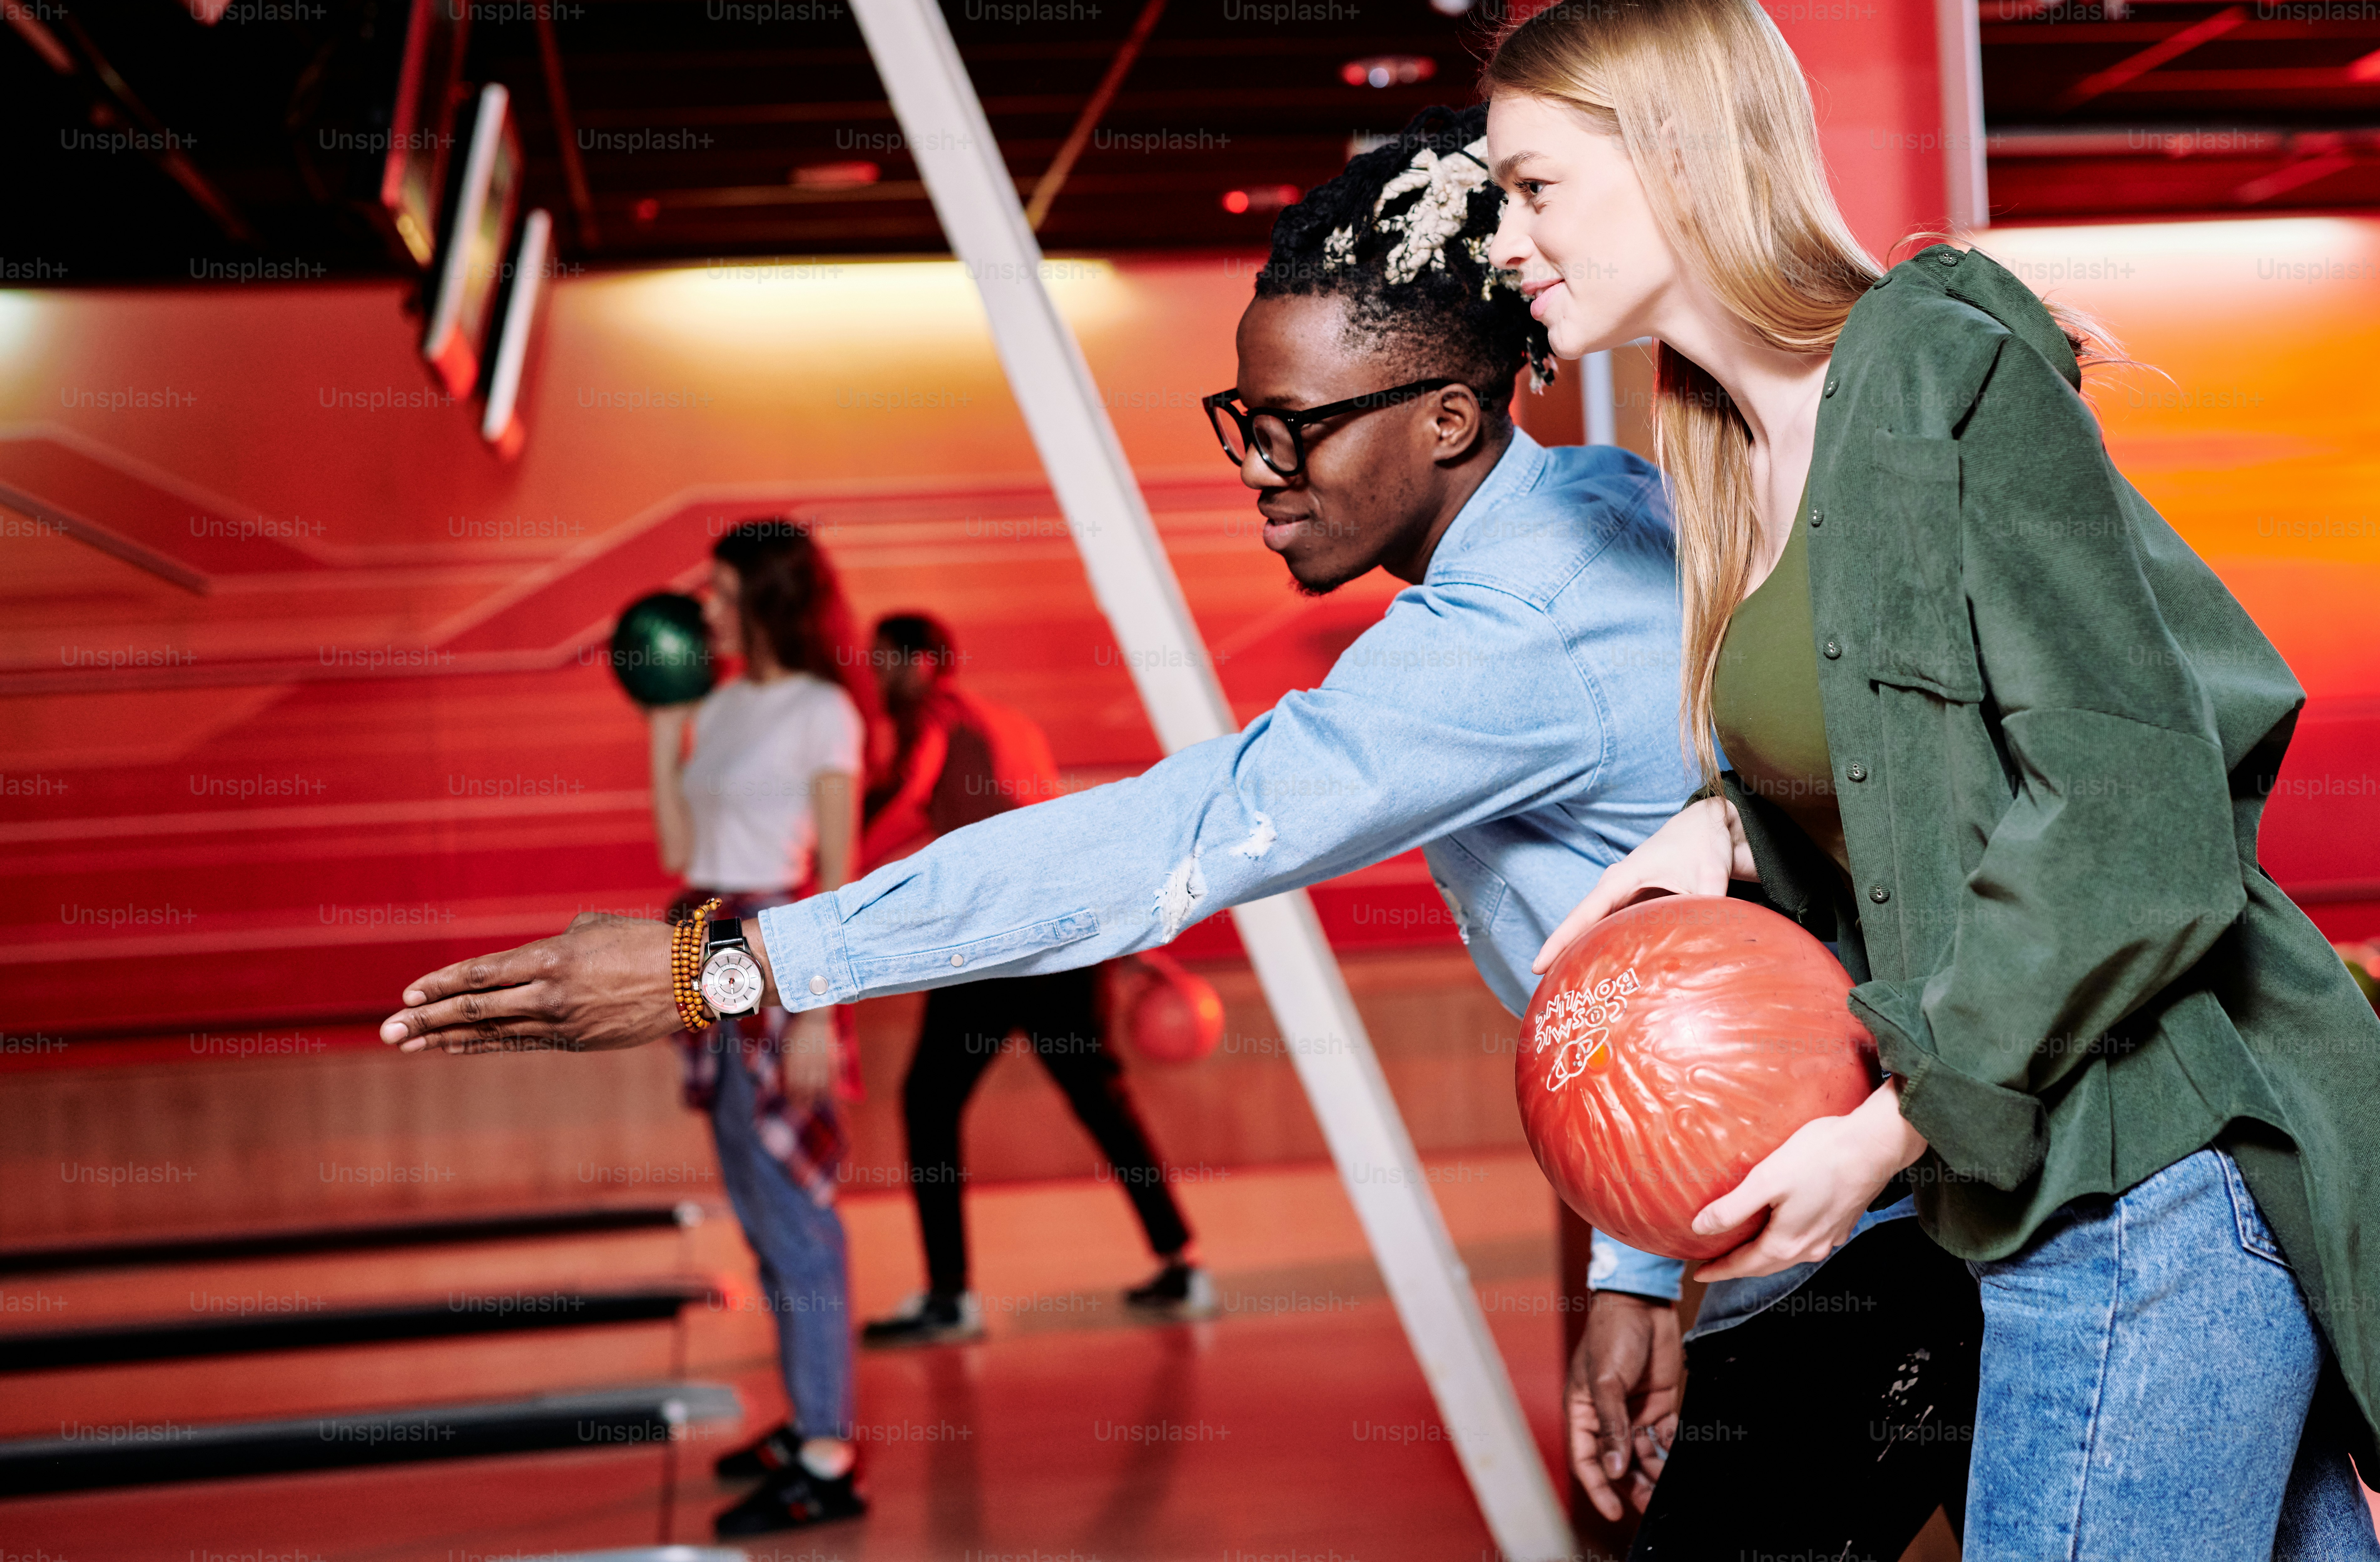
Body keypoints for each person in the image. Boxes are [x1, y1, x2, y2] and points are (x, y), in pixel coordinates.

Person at [382, 105, 1977, 1551]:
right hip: (1858, 1201)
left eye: (1298, 429)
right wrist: (1634, 1267)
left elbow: (1169, 840)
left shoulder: (1503, 636)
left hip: (1892, 1226)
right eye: (1246, 420)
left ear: (1443, 418)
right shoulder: (1594, 507)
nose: (1260, 474)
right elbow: (1677, 959)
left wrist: (719, 967)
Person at [1492, 0, 2380, 1558]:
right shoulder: (1732, 456)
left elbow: (2133, 809)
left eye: (1533, 187)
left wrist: (1883, 1131)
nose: (1506, 241)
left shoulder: (1933, 369)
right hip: (2047, 1208)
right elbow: (1918, 771)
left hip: (2140, 1193)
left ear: (1675, 153)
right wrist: (1730, 828)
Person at [852, 610, 1207, 1344]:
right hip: (1070, 935)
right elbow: (1047, 821)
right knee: (1100, 1098)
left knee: (929, 1102)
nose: (875, 676)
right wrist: (1125, 936)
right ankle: (1183, 1265)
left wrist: (833, 859)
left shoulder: (933, 714)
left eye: (884, 660)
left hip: (1002, 938)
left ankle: (950, 1297)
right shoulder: (1010, 722)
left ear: (922, 664)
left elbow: (908, 791)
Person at [644, 520, 875, 1536]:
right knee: (754, 1202)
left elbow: (839, 879)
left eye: (726, 593)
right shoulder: (724, 702)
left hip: (781, 950)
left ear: (773, 601)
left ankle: (827, 1455)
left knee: (797, 1212)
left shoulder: (824, 711)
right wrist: (664, 728)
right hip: (707, 937)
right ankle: (805, 1419)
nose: (709, 609)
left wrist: (820, 1011)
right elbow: (680, 847)